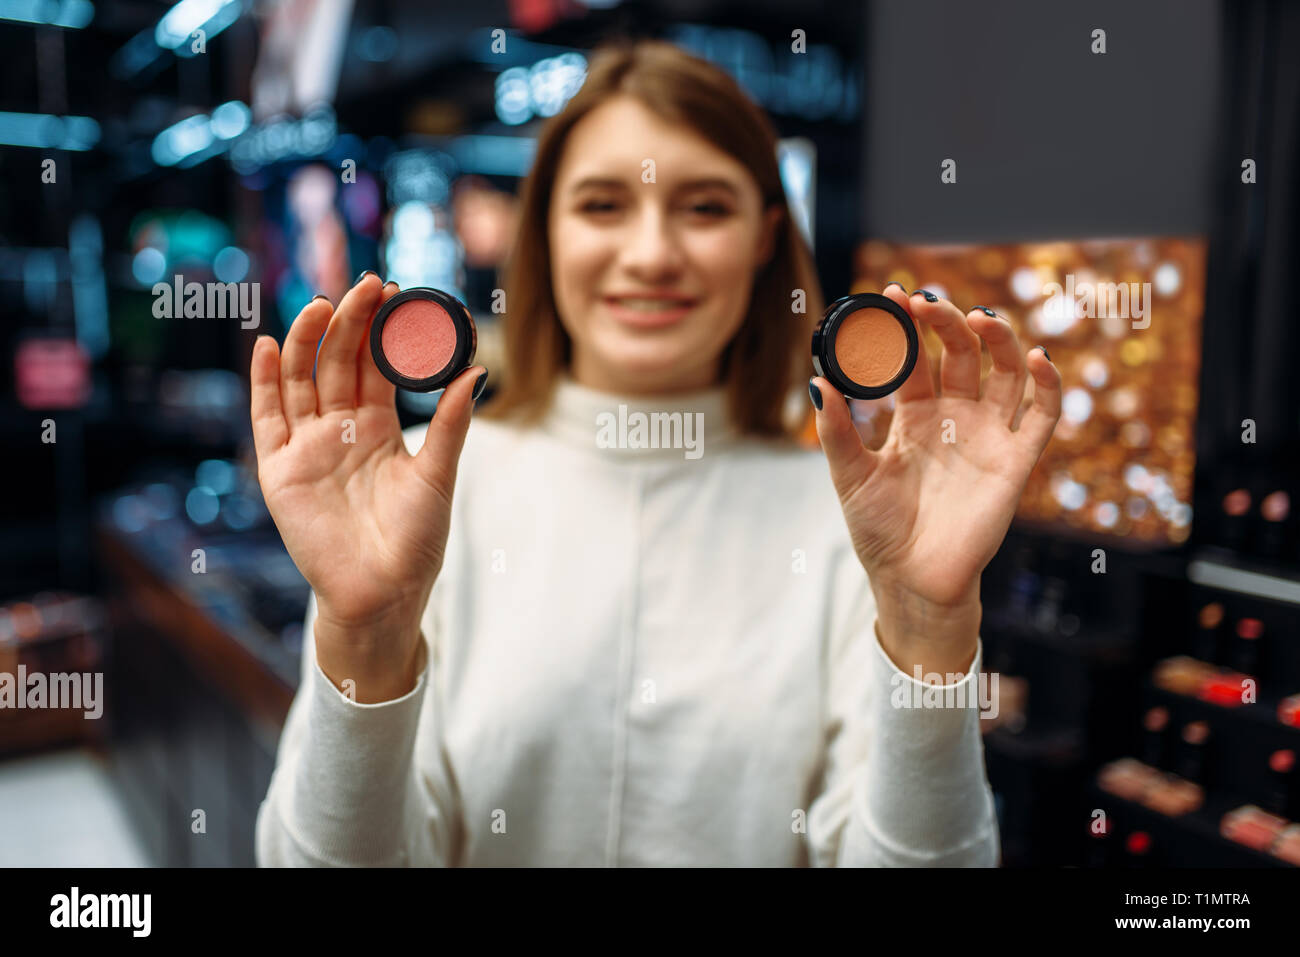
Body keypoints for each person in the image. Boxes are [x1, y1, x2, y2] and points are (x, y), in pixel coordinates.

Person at [249, 40, 1060, 866]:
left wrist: (929, 629)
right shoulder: (413, 491)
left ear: (764, 237)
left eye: (705, 207)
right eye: (602, 206)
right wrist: (366, 639)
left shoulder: (865, 515)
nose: (649, 255)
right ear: (546, 232)